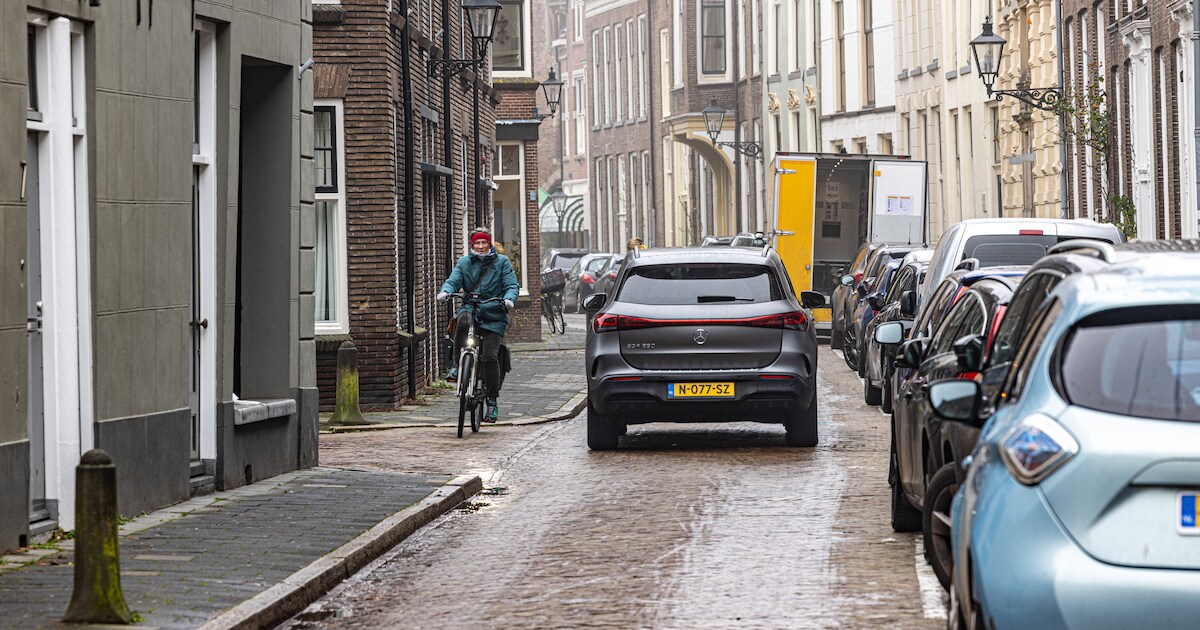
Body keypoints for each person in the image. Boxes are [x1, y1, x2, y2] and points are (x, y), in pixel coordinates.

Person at [436, 229, 520, 423]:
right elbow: (453, 280)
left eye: (484, 242)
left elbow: (511, 285)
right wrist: (446, 291)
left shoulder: (501, 263)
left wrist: (508, 299)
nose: (480, 246)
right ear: (472, 245)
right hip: (471, 309)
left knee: (490, 357)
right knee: (462, 321)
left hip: (494, 313)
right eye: (477, 243)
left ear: (489, 244)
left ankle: (492, 401)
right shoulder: (464, 263)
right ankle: (457, 365)